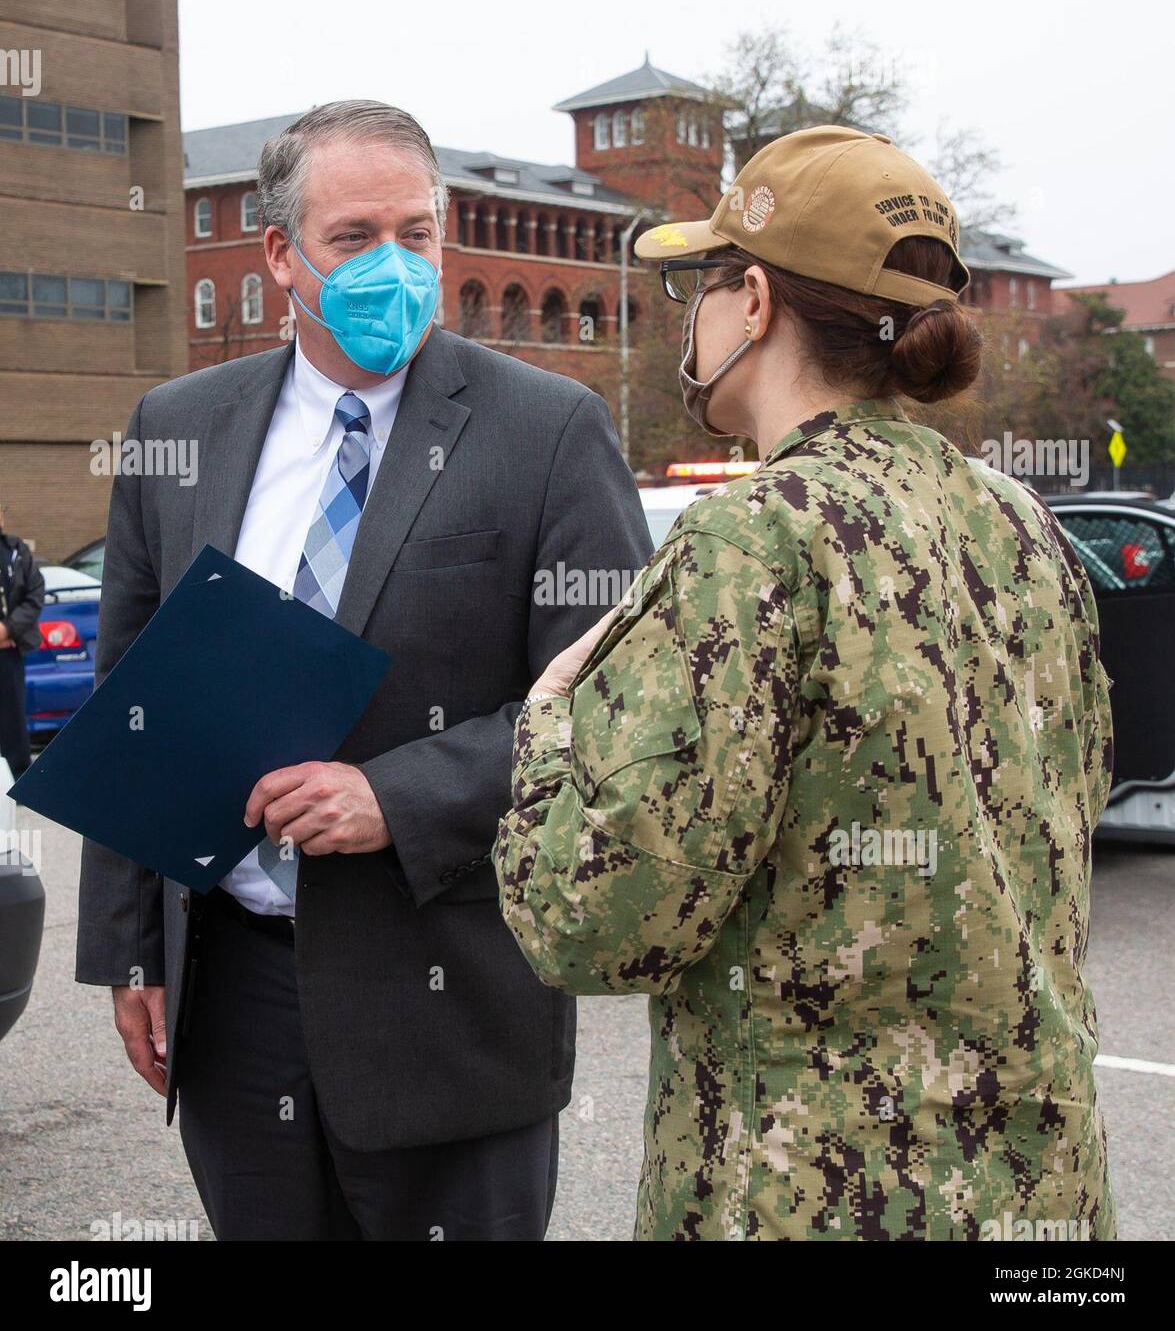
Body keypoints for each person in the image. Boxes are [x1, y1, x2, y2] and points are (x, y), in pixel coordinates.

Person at [493, 126, 1116, 1241]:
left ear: (754, 304)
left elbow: (595, 923)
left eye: (700, 283)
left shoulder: (753, 535)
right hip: (1037, 1199)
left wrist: (546, 727)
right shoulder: (1019, 523)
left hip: (807, 1201)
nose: (690, 314)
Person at [75, 101, 651, 1241]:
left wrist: (400, 795)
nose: (393, 265)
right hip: (234, 995)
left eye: (417, 232)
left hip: (448, 998)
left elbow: (616, 707)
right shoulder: (178, 424)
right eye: (353, 237)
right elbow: (126, 704)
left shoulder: (548, 430)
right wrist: (128, 948)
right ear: (280, 255)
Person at [0, 504, 44, 782]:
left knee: (12, 717)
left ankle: (17, 779)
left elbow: (35, 594)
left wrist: (6, 629)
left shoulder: (16, 551)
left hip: (9, 649)